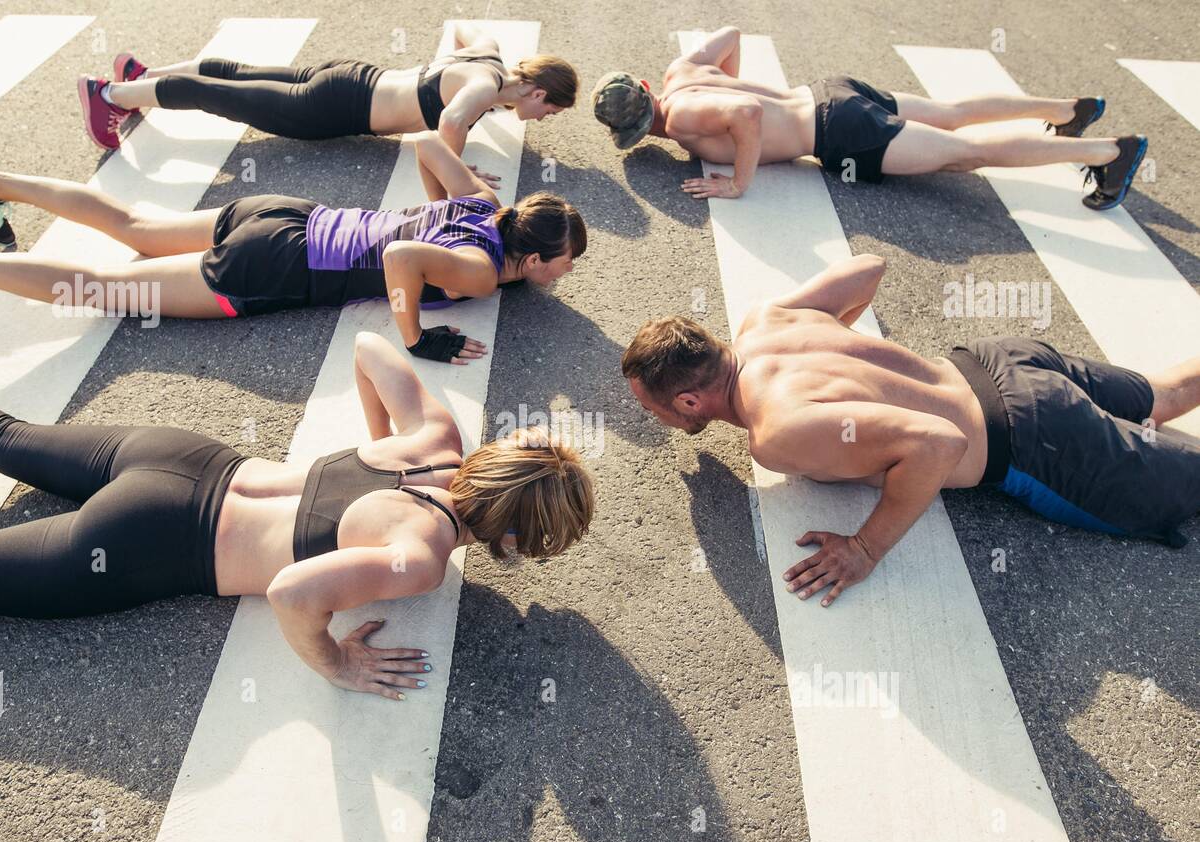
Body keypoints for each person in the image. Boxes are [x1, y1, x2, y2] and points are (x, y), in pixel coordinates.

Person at [0, 332, 595, 698]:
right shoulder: (418, 557)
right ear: (512, 538)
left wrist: (375, 442)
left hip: (186, 459)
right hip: (159, 539)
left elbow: (370, 348)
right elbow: (293, 593)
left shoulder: (436, 437)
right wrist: (337, 665)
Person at [622, 255, 1200, 606]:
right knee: (1165, 394)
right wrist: (850, 364)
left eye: (657, 410)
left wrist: (864, 550)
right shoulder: (764, 324)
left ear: (689, 399)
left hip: (1034, 439)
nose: (660, 422)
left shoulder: (775, 432)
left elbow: (938, 443)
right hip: (1000, 364)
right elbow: (866, 267)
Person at [0, 133, 586, 363]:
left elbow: (430, 142)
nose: (566, 273)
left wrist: (433, 203)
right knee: (99, 287)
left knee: (133, 224)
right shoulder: (479, 275)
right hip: (279, 266)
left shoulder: (486, 210)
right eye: (564, 263)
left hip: (285, 214)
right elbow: (400, 262)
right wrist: (412, 337)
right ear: (530, 260)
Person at [592, 25, 1146, 211]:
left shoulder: (684, 117)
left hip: (840, 132)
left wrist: (739, 180)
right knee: (952, 115)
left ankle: (1107, 154)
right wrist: (736, 87)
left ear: (643, 124)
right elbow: (732, 38)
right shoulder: (680, 73)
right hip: (832, 92)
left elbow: (745, 111)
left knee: (963, 156)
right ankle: (1067, 110)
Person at [80, 23, 576, 183]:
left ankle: (144, 76)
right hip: (333, 109)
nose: (542, 120)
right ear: (537, 92)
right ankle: (110, 95)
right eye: (548, 111)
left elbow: (467, 31)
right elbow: (449, 118)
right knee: (224, 95)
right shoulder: (486, 91)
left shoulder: (489, 59)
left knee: (238, 75)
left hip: (351, 75)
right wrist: (460, 172)